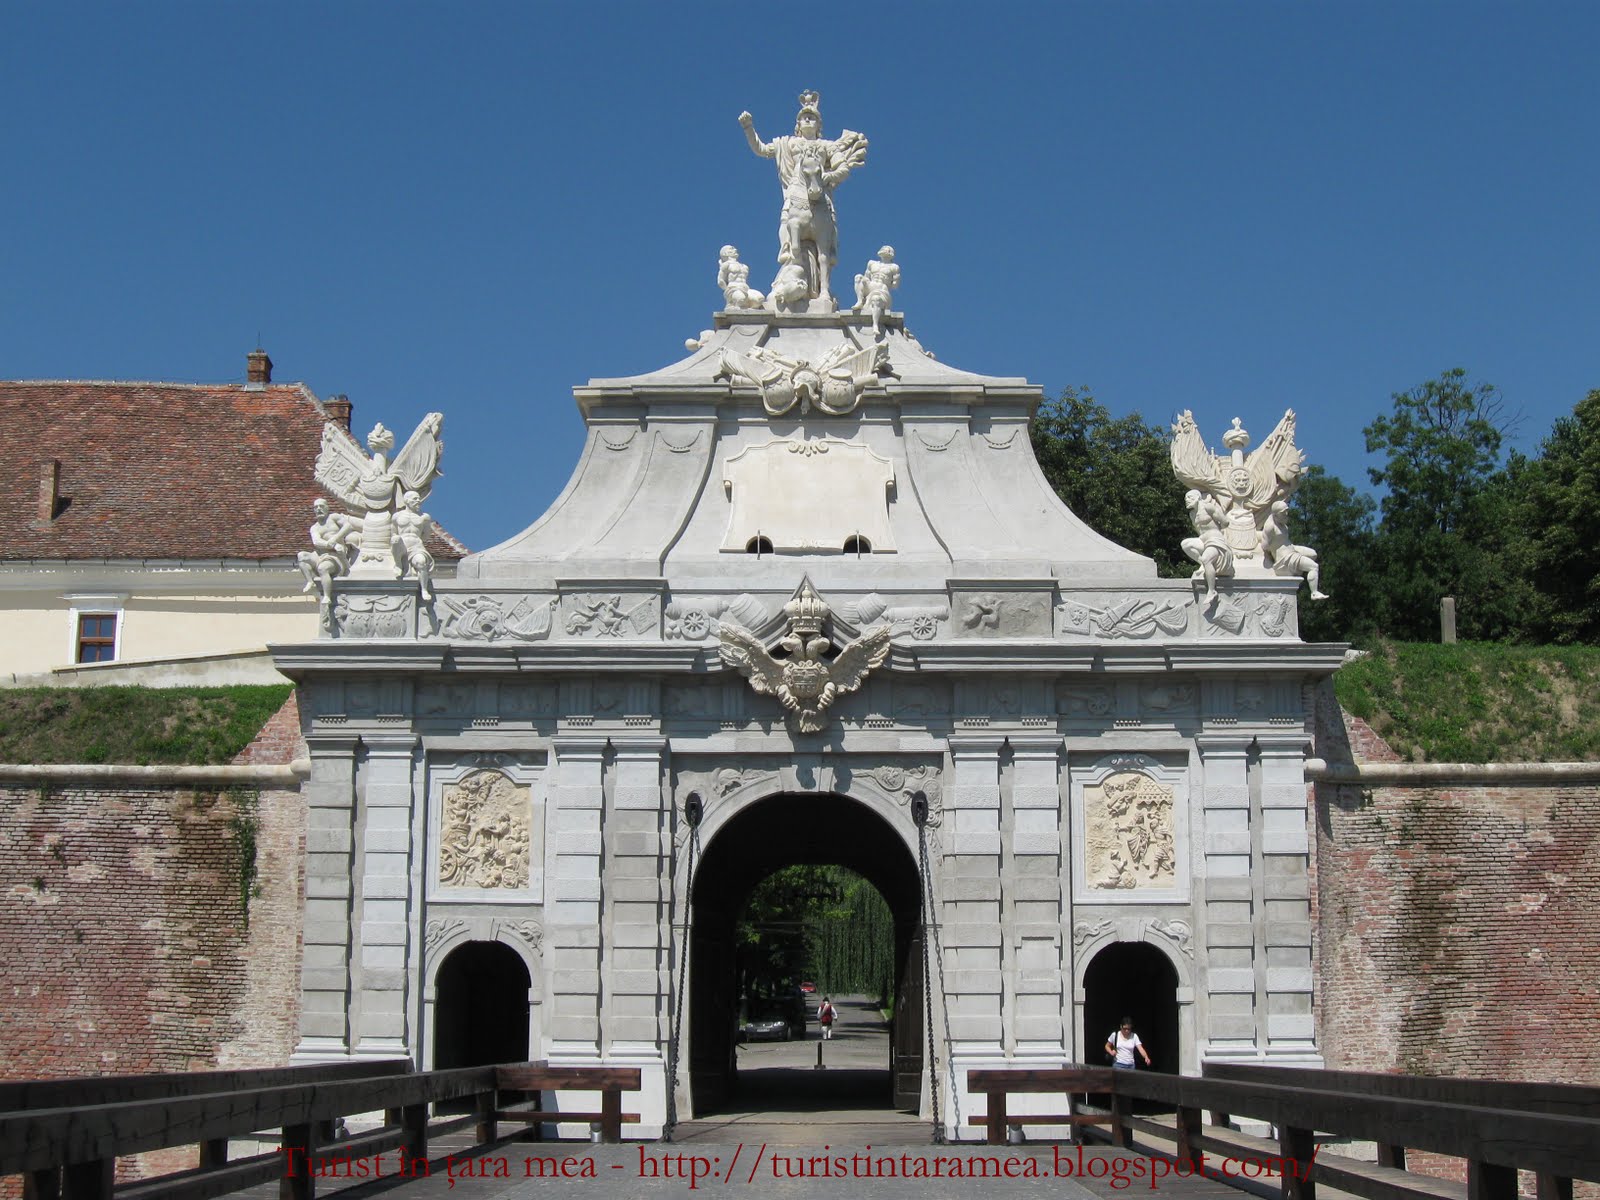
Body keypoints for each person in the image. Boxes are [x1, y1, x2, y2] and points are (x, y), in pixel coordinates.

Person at [738, 91, 868, 311]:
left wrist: (828, 176)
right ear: (797, 123)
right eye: (804, 117)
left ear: (819, 124)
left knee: (824, 250)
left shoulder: (828, 146)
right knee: (788, 226)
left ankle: (823, 290)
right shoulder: (787, 143)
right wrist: (748, 128)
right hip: (795, 196)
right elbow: (761, 149)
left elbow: (843, 168)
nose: (808, 119)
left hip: (821, 197)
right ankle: (789, 259)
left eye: (813, 117)